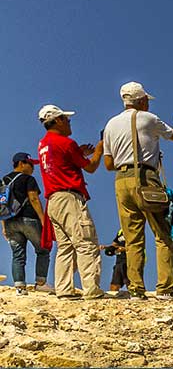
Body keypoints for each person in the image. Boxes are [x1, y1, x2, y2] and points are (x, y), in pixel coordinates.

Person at [102, 80, 173, 299]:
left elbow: (108, 164)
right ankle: (165, 288)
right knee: (162, 233)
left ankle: (136, 289)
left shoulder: (110, 124)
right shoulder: (148, 119)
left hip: (121, 180)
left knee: (132, 238)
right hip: (146, 177)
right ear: (141, 101)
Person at [37, 104, 106, 300]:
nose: (69, 123)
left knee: (65, 246)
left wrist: (78, 153)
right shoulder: (66, 142)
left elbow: (60, 161)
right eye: (67, 120)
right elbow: (91, 167)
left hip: (53, 200)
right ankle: (92, 289)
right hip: (69, 198)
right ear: (58, 120)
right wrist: (99, 150)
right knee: (86, 242)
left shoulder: (43, 144)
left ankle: (64, 289)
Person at [1, 152, 52, 295]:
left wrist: (4, 226)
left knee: (18, 255)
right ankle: (41, 283)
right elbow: (34, 198)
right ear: (21, 163)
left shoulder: (3, 181)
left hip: (10, 222)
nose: (33, 168)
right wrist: (43, 220)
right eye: (30, 164)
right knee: (43, 250)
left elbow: (2, 205)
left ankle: (20, 288)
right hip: (29, 219)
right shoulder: (28, 179)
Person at [100, 229, 129, 294]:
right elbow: (114, 244)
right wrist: (107, 247)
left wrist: (123, 249)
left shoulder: (132, 230)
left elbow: (135, 247)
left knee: (129, 281)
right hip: (119, 261)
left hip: (129, 261)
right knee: (115, 283)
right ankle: (113, 296)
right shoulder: (120, 231)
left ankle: (135, 294)